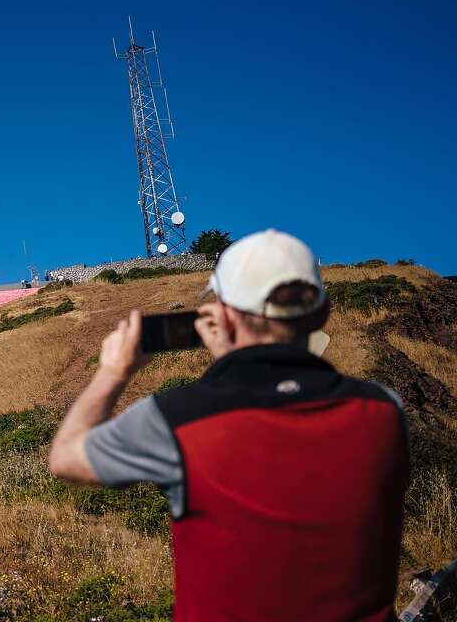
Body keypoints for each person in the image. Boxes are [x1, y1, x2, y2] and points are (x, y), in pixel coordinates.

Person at [48, 229, 408, 622]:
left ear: (224, 313)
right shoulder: (384, 410)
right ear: (321, 313)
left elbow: (66, 458)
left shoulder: (178, 419)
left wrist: (114, 370)